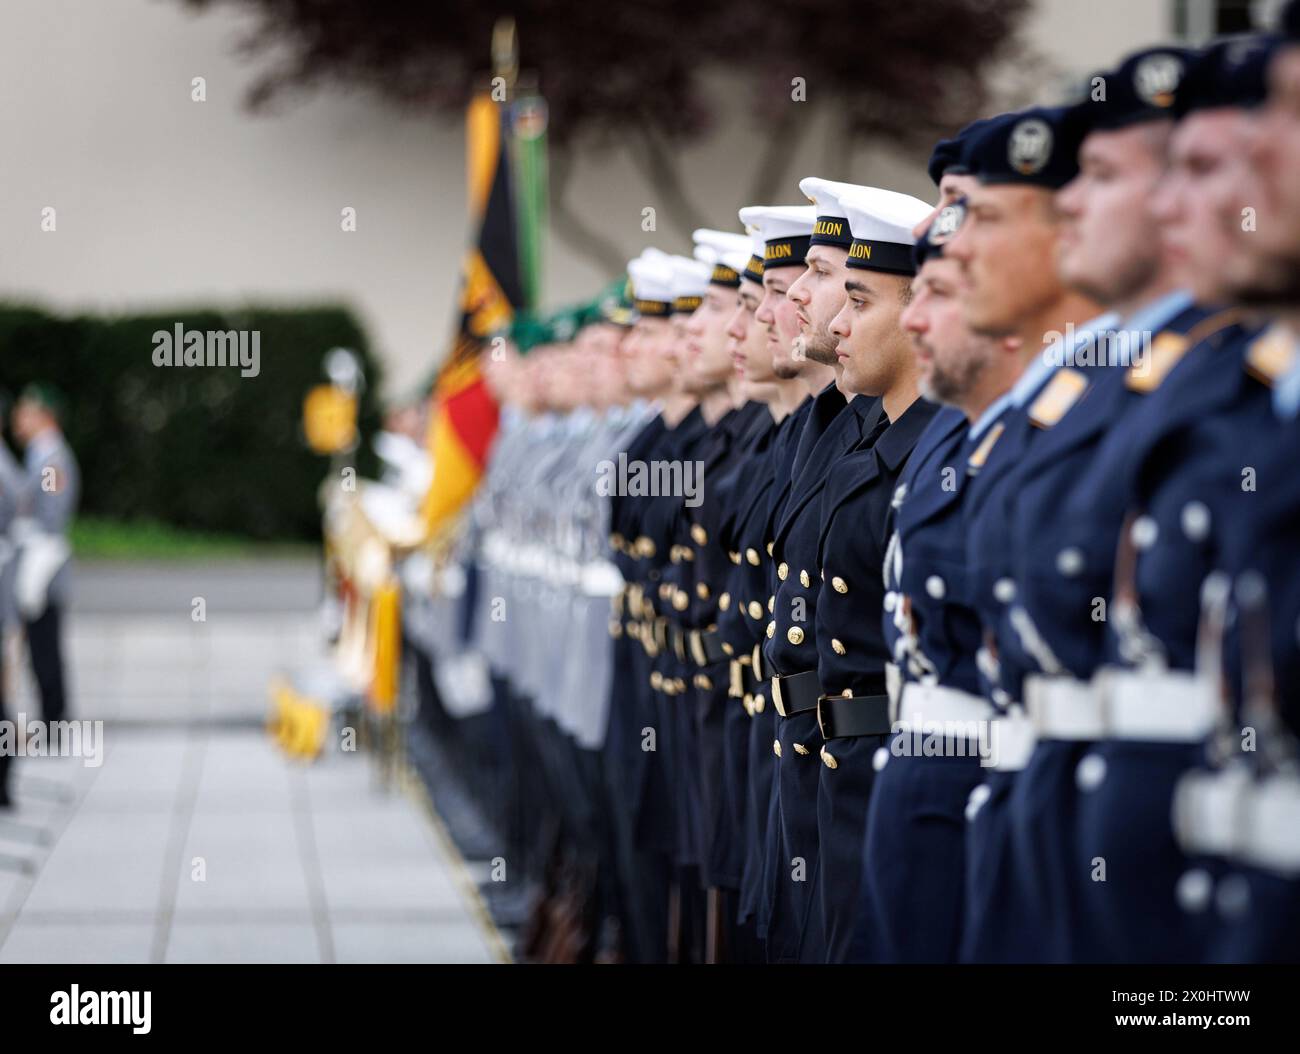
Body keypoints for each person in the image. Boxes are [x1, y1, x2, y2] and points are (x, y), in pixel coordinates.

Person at [10, 384, 79, 727]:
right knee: (39, 651)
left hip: (44, 569)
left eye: (25, 413)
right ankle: (51, 720)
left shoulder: (52, 459)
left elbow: (50, 517)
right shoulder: (40, 456)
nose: (17, 420)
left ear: (45, 417)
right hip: (35, 565)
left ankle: (55, 722)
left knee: (45, 650)